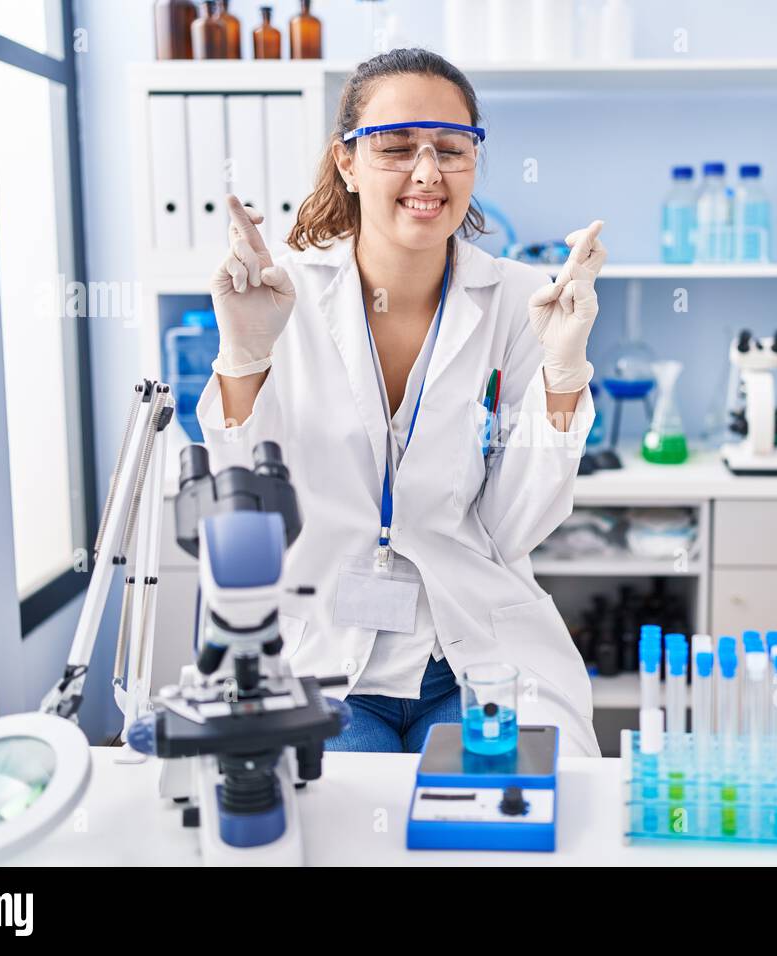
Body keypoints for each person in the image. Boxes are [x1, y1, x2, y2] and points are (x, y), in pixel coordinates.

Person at [197, 48, 607, 757]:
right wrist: (246, 357)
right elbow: (241, 511)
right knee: (343, 826)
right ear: (348, 161)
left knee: (501, 822)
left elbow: (514, 529)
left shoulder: (519, 300)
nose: (427, 172)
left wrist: (563, 374)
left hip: (473, 657)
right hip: (327, 661)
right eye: (395, 147)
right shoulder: (280, 292)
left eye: (451, 148)